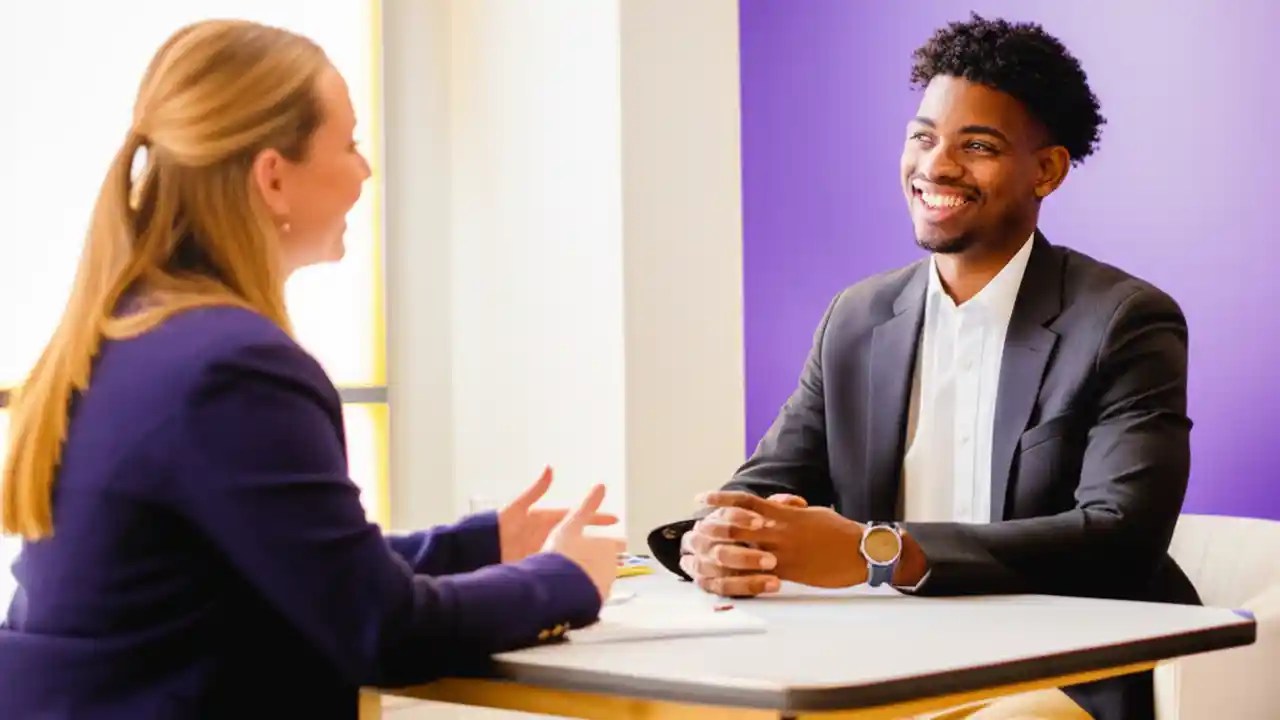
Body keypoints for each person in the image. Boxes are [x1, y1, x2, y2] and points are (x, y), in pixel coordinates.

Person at [0, 19, 622, 719]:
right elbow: (382, 629)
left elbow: (290, 566)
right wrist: (565, 580)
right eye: (350, 143)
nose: (365, 169)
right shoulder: (234, 368)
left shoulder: (124, 335)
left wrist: (477, 547)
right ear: (273, 176)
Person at [648, 13, 1197, 720]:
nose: (936, 166)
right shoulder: (858, 317)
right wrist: (719, 543)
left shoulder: (1123, 320)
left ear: (1047, 170)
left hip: (1067, 671)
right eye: (922, 137)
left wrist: (880, 552)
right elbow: (765, 488)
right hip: (887, 660)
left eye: (978, 145)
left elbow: (1120, 537)